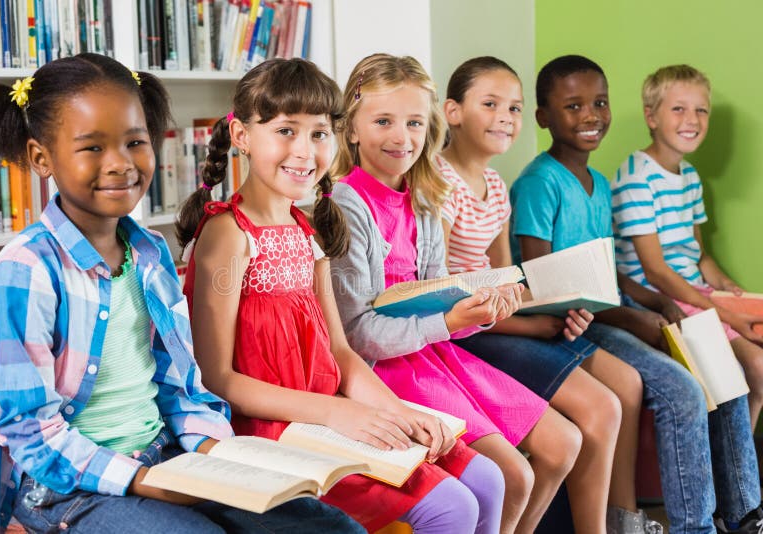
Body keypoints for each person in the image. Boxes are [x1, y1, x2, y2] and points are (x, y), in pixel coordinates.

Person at [0, 53, 363, 534]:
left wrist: (222, 456)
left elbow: (182, 386)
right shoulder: (26, 270)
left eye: (135, 141)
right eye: (92, 147)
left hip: (165, 456)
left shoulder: (150, 254)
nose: (121, 163)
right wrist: (145, 481)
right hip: (66, 488)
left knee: (331, 528)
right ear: (40, 158)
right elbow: (31, 433)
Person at [177, 57, 505, 534]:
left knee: (487, 480)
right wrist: (337, 411)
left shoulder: (309, 229)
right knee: (450, 507)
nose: (305, 151)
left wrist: (396, 411)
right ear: (242, 137)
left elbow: (341, 351)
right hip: (274, 429)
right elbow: (217, 378)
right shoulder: (228, 235)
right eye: (286, 130)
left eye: (318, 133)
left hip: (334, 413)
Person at [319, 52, 586, 534]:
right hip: (386, 370)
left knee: (562, 443)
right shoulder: (345, 205)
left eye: (415, 123)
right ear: (352, 129)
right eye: (383, 121)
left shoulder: (423, 199)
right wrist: (452, 321)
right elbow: (358, 336)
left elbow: (441, 293)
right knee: (513, 474)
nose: (402, 138)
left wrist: (482, 310)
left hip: (436, 355)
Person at [510, 54, 762, 534]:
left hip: (615, 311)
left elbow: (607, 269)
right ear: (544, 117)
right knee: (682, 391)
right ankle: (693, 526)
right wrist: (631, 318)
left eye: (600, 103)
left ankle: (743, 512)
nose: (591, 116)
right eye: (574, 105)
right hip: (581, 327)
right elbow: (545, 284)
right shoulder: (538, 184)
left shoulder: (599, 184)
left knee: (720, 371)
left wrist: (656, 303)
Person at [438, 55, 648, 534]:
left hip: (501, 315)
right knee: (600, 407)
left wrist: (559, 311)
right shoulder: (439, 184)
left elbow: (503, 276)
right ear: (452, 112)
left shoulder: (494, 185)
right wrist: (533, 323)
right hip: (465, 332)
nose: (504, 118)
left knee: (614, 393)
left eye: (512, 108)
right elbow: (451, 300)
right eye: (490, 104)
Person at [611, 64, 763, 426]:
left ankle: (742, 468)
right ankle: (740, 475)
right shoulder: (636, 177)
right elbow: (657, 271)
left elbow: (699, 255)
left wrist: (728, 289)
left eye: (701, 110)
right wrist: (723, 313)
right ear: (651, 116)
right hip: (658, 295)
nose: (691, 119)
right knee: (756, 366)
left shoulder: (690, 177)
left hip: (694, 290)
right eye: (678, 108)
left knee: (757, 349)